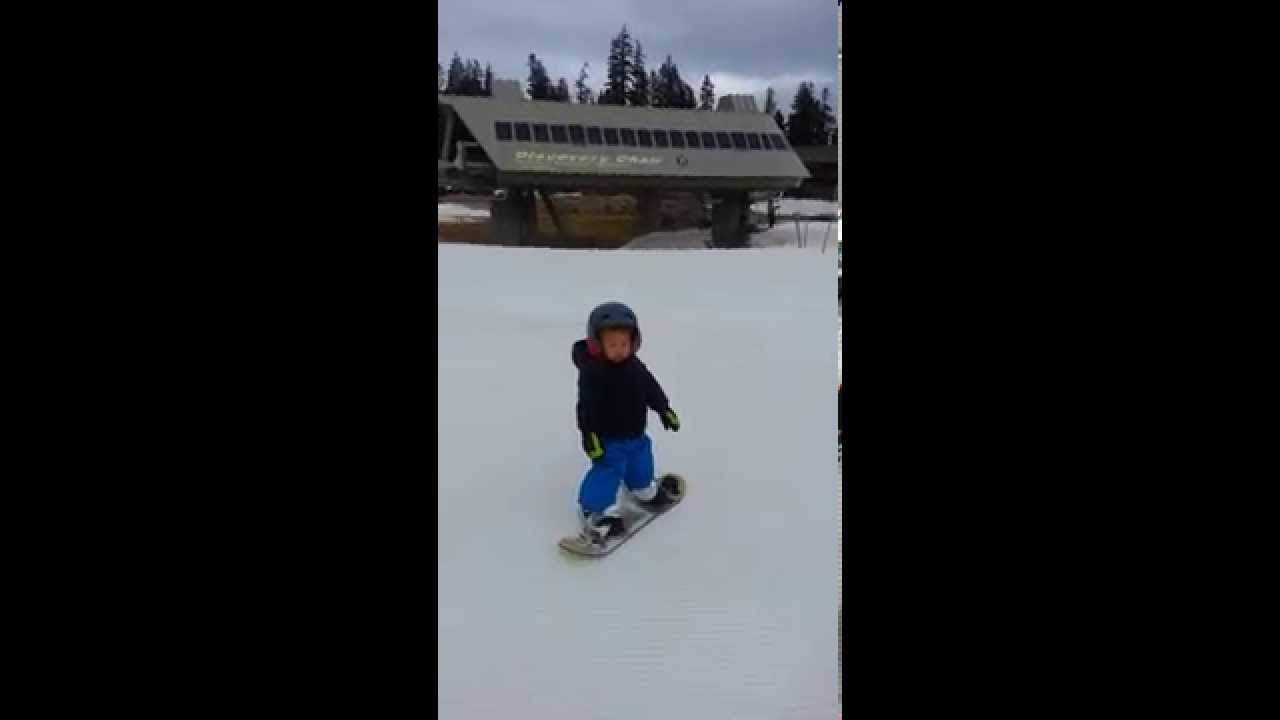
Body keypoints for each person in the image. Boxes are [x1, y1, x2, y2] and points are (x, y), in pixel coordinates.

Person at [573, 302, 681, 546]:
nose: (620, 350)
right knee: (608, 471)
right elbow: (585, 407)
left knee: (641, 459)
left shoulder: (634, 366)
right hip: (608, 439)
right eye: (613, 345)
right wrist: (589, 436)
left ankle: (643, 489)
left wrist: (664, 408)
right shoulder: (594, 374)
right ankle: (593, 511)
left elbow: (649, 387)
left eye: (625, 344)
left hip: (635, 433)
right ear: (597, 344)